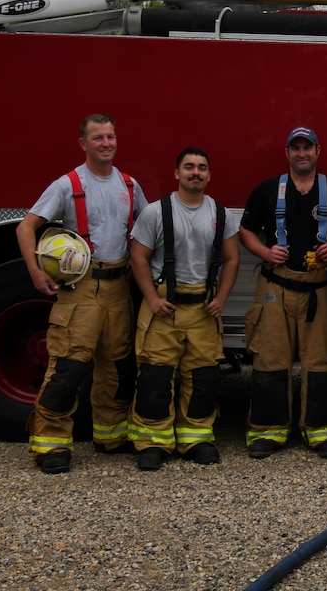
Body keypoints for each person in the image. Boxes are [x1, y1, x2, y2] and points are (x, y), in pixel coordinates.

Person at [16, 114, 149, 474]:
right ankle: (50, 443)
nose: (105, 143)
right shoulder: (67, 184)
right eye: (97, 138)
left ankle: (110, 435)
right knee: (69, 368)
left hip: (119, 287)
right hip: (81, 289)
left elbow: (146, 233)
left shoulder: (130, 185)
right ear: (83, 144)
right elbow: (27, 227)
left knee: (117, 368)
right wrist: (34, 270)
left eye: (110, 137)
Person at [238, 126, 327, 460]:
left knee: (322, 362)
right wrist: (264, 252)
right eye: (295, 148)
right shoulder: (266, 190)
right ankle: (267, 432)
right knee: (270, 359)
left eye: (307, 148)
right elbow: (245, 230)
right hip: (275, 286)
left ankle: (323, 433)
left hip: (321, 289)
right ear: (286, 153)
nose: (302, 154)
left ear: (318, 150)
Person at [129, 147, 240, 470]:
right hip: (164, 307)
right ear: (176, 173)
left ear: (209, 175)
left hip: (203, 310)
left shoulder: (220, 214)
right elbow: (139, 257)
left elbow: (232, 259)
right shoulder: (155, 212)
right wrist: (151, 298)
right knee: (155, 376)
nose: (196, 172)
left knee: (203, 377)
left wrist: (222, 299)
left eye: (202, 168)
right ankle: (152, 442)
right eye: (189, 167)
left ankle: (196, 438)